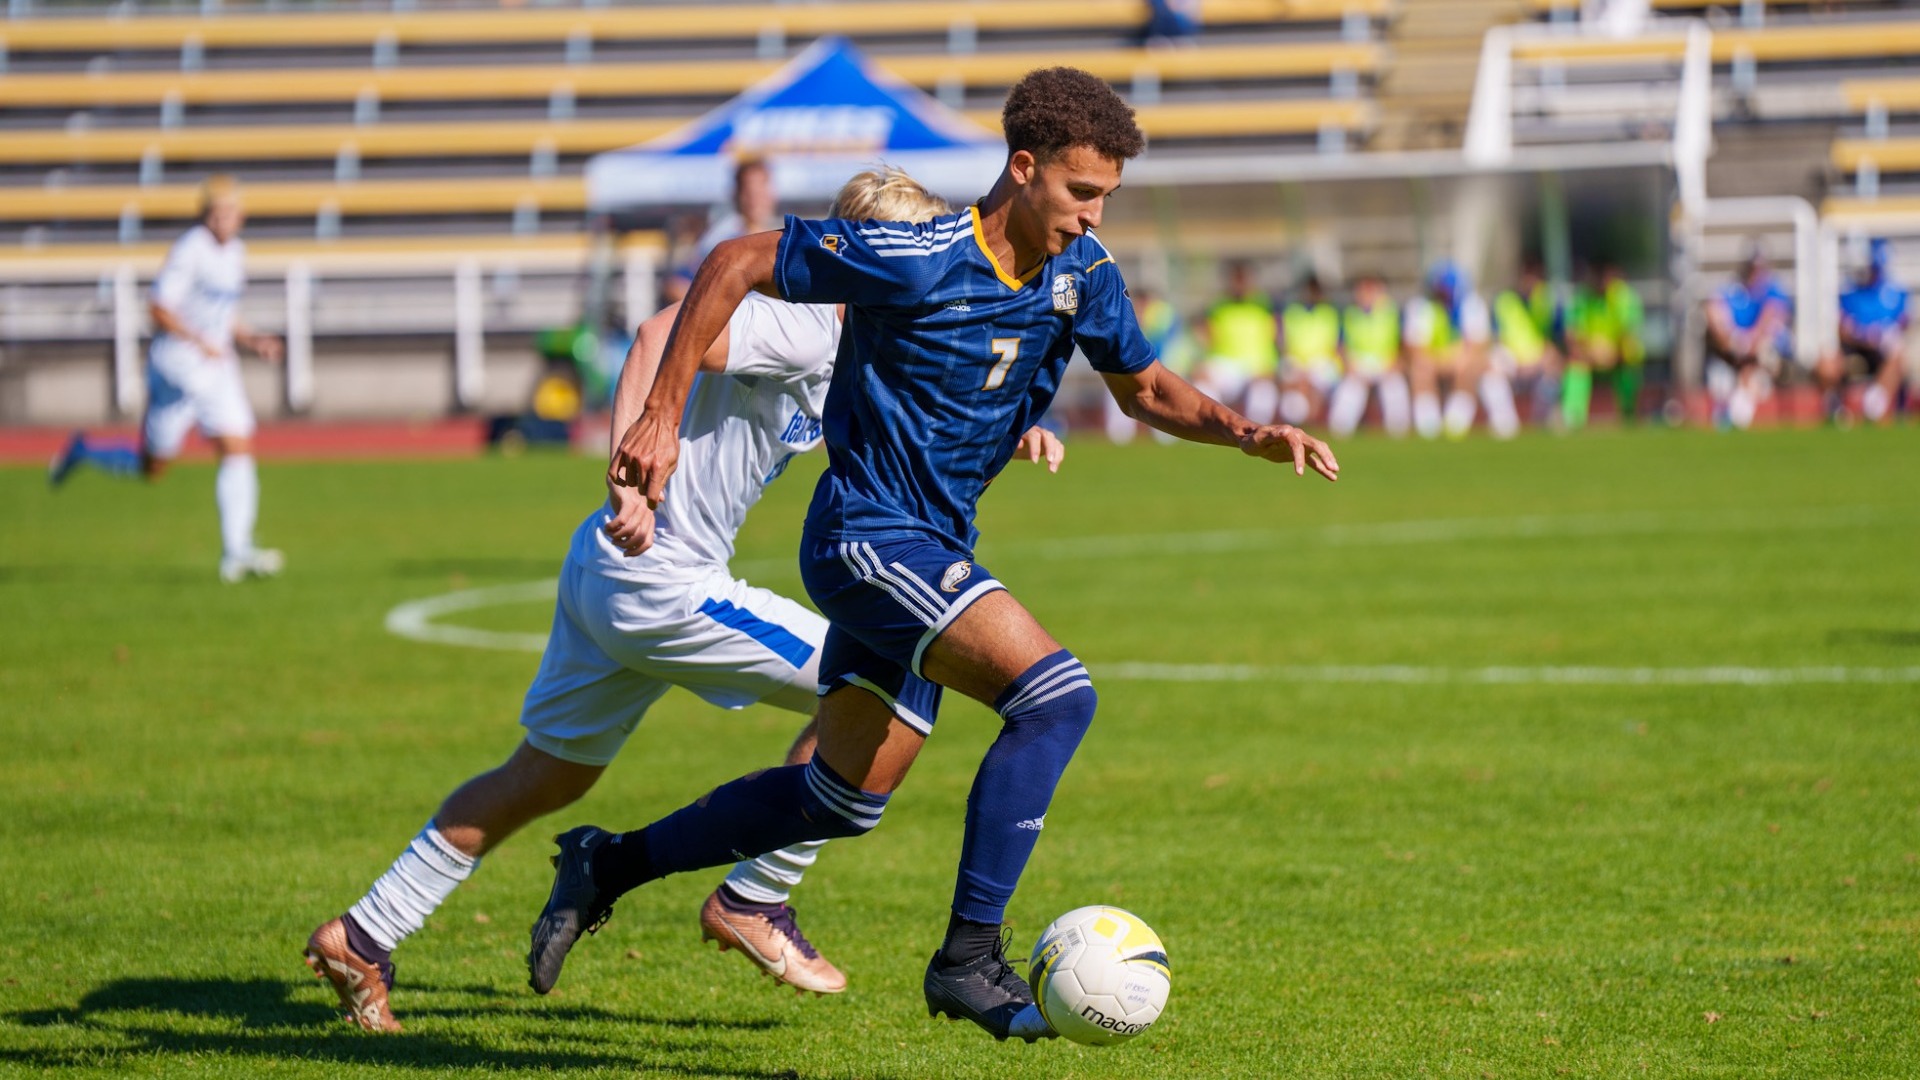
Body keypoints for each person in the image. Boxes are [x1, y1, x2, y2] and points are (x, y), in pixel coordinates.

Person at [527, 66, 1338, 1043]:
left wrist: (1247, 432)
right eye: (1081, 192)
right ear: (1024, 168)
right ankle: (968, 960)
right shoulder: (917, 257)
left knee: (842, 797)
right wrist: (660, 414)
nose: (1092, 216)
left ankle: (607, 865)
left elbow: (1146, 389)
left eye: (1107, 198)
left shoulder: (1084, 276)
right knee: (1055, 696)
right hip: (866, 538)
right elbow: (738, 261)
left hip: (932, 545)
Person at [302, 169, 1065, 1032]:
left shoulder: (861, 339)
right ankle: (756, 898)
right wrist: (635, 469)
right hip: (661, 577)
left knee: (543, 776)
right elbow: (660, 331)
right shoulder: (809, 322)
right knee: (878, 692)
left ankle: (364, 932)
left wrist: (1009, 429)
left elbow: (908, 436)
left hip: (607, 572)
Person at [48, 177, 284, 583]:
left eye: (230, 211)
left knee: (237, 446)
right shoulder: (190, 249)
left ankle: (237, 551)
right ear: (206, 214)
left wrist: (251, 339)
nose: (224, 218)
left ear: (241, 215)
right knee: (153, 467)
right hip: (177, 368)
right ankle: (84, 450)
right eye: (217, 211)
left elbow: (223, 313)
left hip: (216, 367)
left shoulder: (237, 253)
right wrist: (198, 341)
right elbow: (158, 308)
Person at [1404, 260, 1517, 439]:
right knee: (1420, 369)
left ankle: (1457, 423)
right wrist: (1444, 361)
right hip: (1435, 361)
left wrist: (1459, 360)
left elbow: (1478, 346)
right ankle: (1428, 427)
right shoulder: (1421, 307)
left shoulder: (1472, 304)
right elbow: (1415, 349)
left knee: (1479, 368)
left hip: (1461, 362)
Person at [664, 157, 780, 303]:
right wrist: (721, 317)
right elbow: (676, 284)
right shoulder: (722, 241)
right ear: (736, 195)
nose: (755, 199)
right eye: (748, 192)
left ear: (772, 193)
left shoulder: (784, 241)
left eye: (760, 190)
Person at [1818, 238, 1908, 424]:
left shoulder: (1894, 292)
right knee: (1826, 362)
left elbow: (1903, 323)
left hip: (1882, 353)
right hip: (1855, 347)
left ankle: (1874, 406)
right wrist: (1864, 336)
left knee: (1897, 353)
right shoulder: (1849, 291)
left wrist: (1883, 336)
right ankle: (1836, 411)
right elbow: (1842, 328)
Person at [1704, 250, 1791, 430]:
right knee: (1722, 377)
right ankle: (1734, 407)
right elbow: (1713, 309)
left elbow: (1773, 314)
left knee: (1764, 355)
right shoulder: (1732, 291)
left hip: (1762, 356)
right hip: (1733, 354)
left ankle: (1744, 405)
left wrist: (1750, 343)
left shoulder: (1772, 291)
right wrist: (1736, 342)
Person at [1192, 259, 1281, 425]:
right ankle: (1210, 434)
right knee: (1202, 384)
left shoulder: (1266, 305)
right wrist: (1203, 364)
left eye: (1243, 279)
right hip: (1226, 365)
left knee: (1263, 391)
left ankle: (1258, 434)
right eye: (1236, 279)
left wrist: (1271, 367)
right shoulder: (1217, 306)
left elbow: (1276, 341)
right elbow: (1206, 339)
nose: (1239, 284)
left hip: (1257, 366)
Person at [1104, 284, 1192, 443]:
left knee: (1165, 393)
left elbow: (1164, 343)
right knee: (1115, 383)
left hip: (1164, 364)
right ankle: (1119, 434)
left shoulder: (1163, 315)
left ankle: (1166, 434)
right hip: (1136, 366)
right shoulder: (1126, 314)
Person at [1564, 262, 1646, 429]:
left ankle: (1629, 413)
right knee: (1575, 365)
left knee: (1628, 363)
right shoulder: (1583, 296)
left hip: (1620, 353)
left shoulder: (1623, 296)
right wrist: (1590, 351)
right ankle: (1573, 417)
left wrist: (1612, 352)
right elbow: (1573, 332)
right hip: (1590, 354)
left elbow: (1628, 333)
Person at [1326, 272, 1408, 437]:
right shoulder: (1348, 314)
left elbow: (1404, 344)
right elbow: (1340, 346)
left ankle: (1398, 431)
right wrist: (1349, 366)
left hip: (1386, 362)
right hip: (1358, 363)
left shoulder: (1393, 312)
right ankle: (1341, 431)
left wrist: (1396, 364)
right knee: (1349, 390)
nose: (1365, 294)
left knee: (1394, 387)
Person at [1489, 258, 1563, 431]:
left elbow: (1556, 341)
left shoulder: (1548, 302)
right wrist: (1516, 363)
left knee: (1553, 369)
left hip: (1539, 360)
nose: (1530, 280)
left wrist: (1541, 360)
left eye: (1535, 275)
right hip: (1510, 359)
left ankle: (1543, 421)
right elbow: (1495, 339)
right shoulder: (1504, 301)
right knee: (1491, 373)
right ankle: (1505, 426)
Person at [1279, 272, 1341, 426]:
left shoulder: (1330, 313)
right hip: (1296, 363)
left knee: (1317, 385)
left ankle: (1313, 421)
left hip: (1323, 363)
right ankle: (1297, 421)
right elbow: (1284, 345)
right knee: (1292, 385)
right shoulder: (1292, 312)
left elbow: (1337, 347)